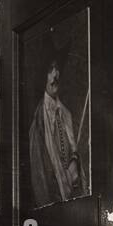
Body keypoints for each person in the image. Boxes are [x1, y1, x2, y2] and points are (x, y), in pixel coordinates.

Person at [28, 55, 83, 206]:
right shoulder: (38, 122)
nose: (55, 75)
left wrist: (74, 161)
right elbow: (39, 178)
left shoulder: (66, 114)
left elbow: (74, 151)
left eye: (57, 69)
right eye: (50, 70)